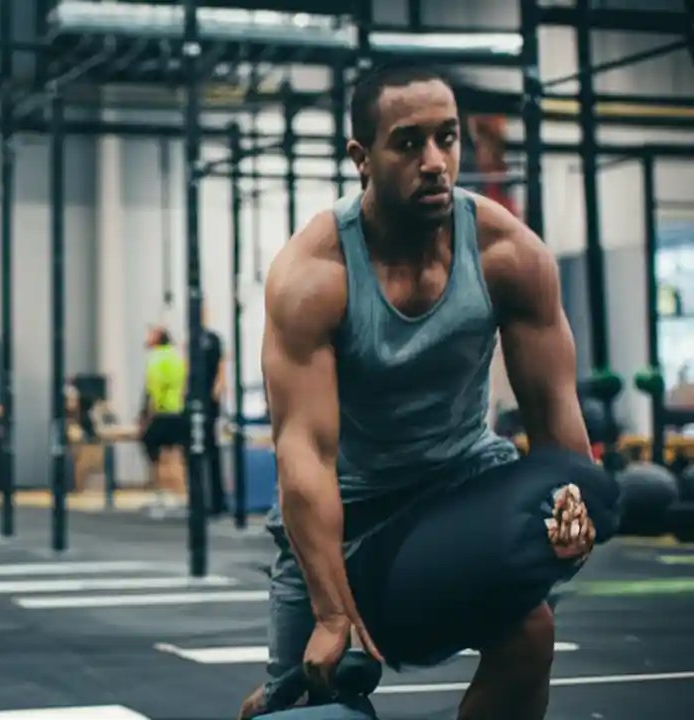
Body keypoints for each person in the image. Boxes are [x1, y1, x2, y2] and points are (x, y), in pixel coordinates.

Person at [240, 63, 603, 719]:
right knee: (308, 701)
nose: (435, 162)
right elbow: (305, 455)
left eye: (448, 138)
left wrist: (572, 502)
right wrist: (330, 610)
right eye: (409, 143)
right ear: (361, 157)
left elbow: (556, 415)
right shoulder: (313, 275)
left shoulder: (508, 254)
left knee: (529, 635)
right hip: (345, 508)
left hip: (462, 484)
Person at [139, 325, 188, 506]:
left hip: (162, 412)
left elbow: (153, 389)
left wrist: (146, 414)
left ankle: (161, 489)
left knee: (150, 447)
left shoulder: (156, 358)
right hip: (179, 411)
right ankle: (179, 492)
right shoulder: (176, 356)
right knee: (176, 452)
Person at [199, 310, 228, 517]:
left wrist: (218, 391)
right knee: (197, 454)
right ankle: (199, 501)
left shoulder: (213, 339)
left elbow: (221, 369)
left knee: (212, 452)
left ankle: (218, 503)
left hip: (210, 405)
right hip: (195, 405)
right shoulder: (191, 339)